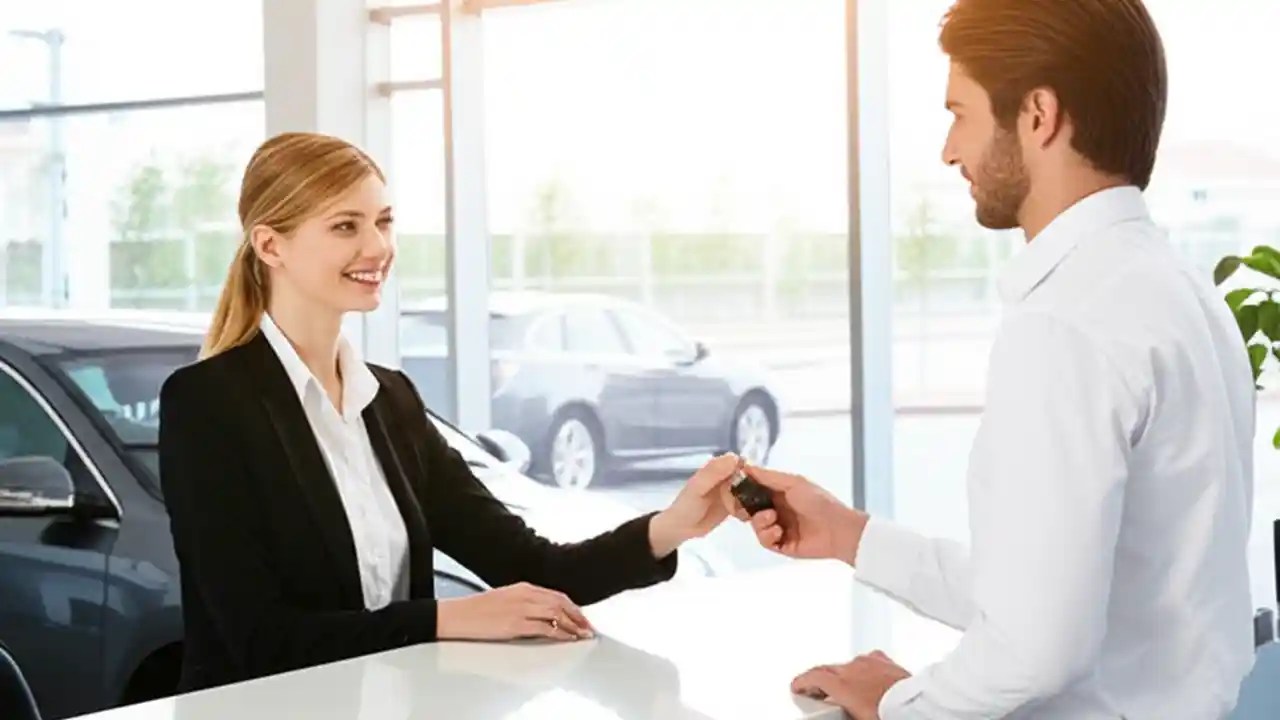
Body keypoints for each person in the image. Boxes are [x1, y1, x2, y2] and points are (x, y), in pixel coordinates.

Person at [729, 1, 1256, 718]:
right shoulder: (1184, 293)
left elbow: (1037, 648)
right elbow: (1052, 591)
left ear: (1037, 115)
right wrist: (846, 534)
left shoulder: (1068, 320)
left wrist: (899, 703)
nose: (950, 150)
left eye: (960, 113)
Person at [159, 131, 740, 693]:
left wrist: (671, 527)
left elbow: (531, 565)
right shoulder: (207, 404)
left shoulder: (390, 402)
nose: (378, 248)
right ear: (269, 246)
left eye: (384, 222)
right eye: (345, 226)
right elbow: (257, 639)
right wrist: (443, 619)